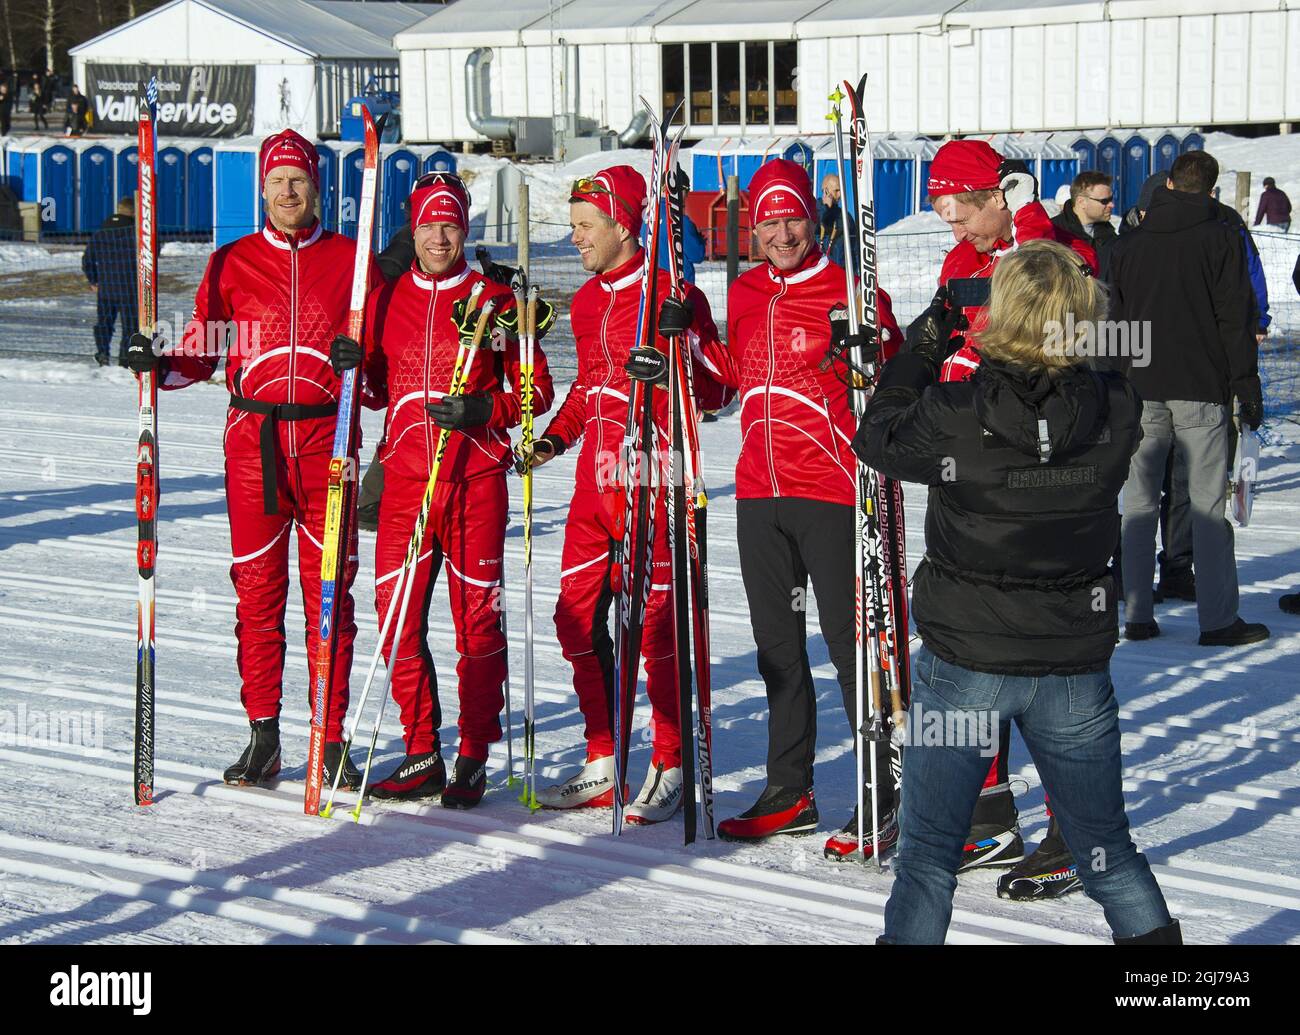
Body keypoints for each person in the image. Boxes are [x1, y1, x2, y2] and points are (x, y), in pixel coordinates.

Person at [855, 238, 1179, 945]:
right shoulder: (1115, 407)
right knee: (1108, 852)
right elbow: (1079, 392)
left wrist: (922, 349)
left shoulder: (952, 409)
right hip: (1071, 665)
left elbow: (876, 435)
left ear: (998, 314)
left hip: (967, 660)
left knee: (930, 858)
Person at [125, 129, 381, 788]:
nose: (288, 192)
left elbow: (379, 383)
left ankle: (329, 737)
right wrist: (155, 364)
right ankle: (263, 735)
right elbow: (198, 357)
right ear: (262, 188)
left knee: (331, 599)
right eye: (277, 181)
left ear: (317, 187)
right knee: (258, 597)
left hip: (330, 444)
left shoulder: (353, 261)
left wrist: (365, 362)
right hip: (254, 445)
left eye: (299, 180)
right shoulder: (232, 262)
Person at [689, 159, 905, 859]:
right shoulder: (747, 290)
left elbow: (897, 382)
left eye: (792, 219)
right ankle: (791, 791)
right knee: (779, 650)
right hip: (759, 494)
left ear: (813, 220)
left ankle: (884, 786)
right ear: (752, 228)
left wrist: (872, 350)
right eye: (767, 221)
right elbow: (722, 388)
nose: (781, 233)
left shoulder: (850, 288)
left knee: (850, 648)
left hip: (833, 490)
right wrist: (686, 342)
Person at [330, 173, 556, 807]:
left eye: (450, 223)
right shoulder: (387, 298)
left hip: (474, 481)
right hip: (404, 480)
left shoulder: (494, 301)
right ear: (413, 228)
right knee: (395, 619)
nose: (438, 236)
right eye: (427, 224)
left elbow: (537, 392)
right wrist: (351, 364)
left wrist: (487, 409)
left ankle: (474, 754)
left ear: (465, 227)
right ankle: (421, 747)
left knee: (476, 624)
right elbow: (374, 390)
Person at [518, 165, 728, 823]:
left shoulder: (673, 291)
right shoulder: (585, 302)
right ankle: (605, 757)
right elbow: (587, 388)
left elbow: (720, 389)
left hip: (655, 480)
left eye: (584, 227)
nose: (574, 239)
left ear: (622, 224)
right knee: (573, 618)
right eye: (573, 227)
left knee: (659, 630)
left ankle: (671, 760)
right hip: (593, 488)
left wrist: (681, 344)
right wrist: (553, 441)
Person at [923, 138, 1099, 891]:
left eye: (962, 204)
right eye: (941, 208)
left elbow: (1069, 314)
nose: (953, 222)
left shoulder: (1045, 250)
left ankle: (1077, 829)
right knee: (972, 645)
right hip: (974, 480)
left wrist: (1030, 217)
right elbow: (945, 342)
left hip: (1045, 480)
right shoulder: (962, 261)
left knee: (1046, 655)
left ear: (998, 195)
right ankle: (990, 812)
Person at [1110, 150, 1269, 648]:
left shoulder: (1129, 243)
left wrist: (1115, 383)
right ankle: (1217, 620)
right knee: (1206, 508)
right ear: (1212, 189)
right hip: (1202, 386)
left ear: (1171, 185)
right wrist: (1247, 385)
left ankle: (1136, 613)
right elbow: (1233, 321)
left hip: (1140, 386)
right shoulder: (1222, 237)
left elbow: (1112, 316)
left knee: (1137, 504)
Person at [82, 196, 137, 366]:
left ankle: (103, 352)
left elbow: (87, 260)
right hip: (130, 289)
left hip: (106, 289)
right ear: (135, 212)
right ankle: (125, 360)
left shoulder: (100, 233)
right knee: (130, 328)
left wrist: (94, 280)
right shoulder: (136, 234)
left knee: (104, 324)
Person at [639, 169, 705, 282]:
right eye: (687, 190)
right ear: (680, 190)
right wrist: (700, 240)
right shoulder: (681, 221)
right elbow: (697, 255)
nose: (687, 196)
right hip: (680, 287)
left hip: (653, 285)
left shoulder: (647, 216)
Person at [1051, 171, 1117, 276]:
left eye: (1111, 199)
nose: (1111, 205)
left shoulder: (1109, 235)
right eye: (1104, 201)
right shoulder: (1053, 233)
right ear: (1081, 202)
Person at [816, 173, 854, 269]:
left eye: (841, 190)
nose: (840, 195)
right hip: (818, 273)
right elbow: (819, 224)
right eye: (836, 190)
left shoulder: (845, 217)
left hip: (841, 273)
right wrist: (826, 208)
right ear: (825, 191)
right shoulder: (812, 212)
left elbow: (854, 248)